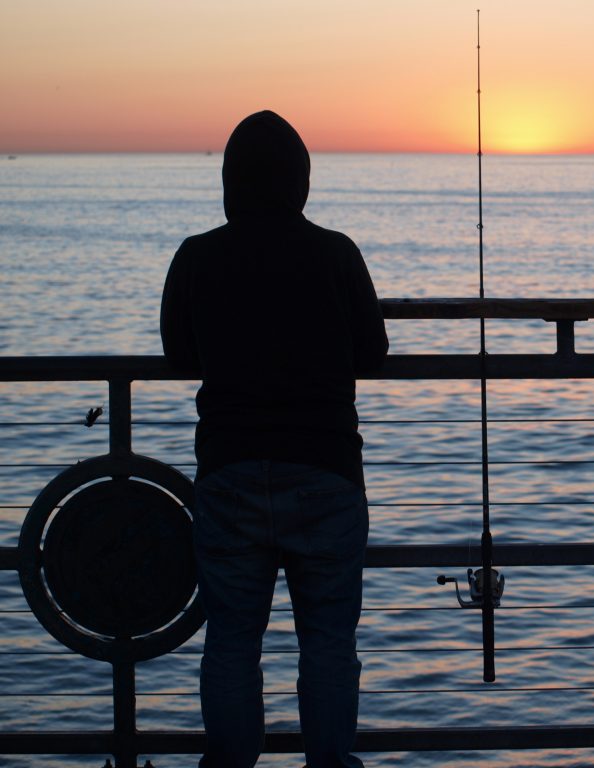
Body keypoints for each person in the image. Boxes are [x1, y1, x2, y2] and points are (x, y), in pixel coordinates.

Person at [161, 110, 388, 768]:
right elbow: (372, 354)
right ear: (302, 182)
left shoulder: (198, 256)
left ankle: (231, 765)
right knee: (327, 642)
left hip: (229, 472)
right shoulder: (336, 253)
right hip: (325, 472)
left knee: (232, 640)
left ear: (230, 182)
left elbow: (180, 358)